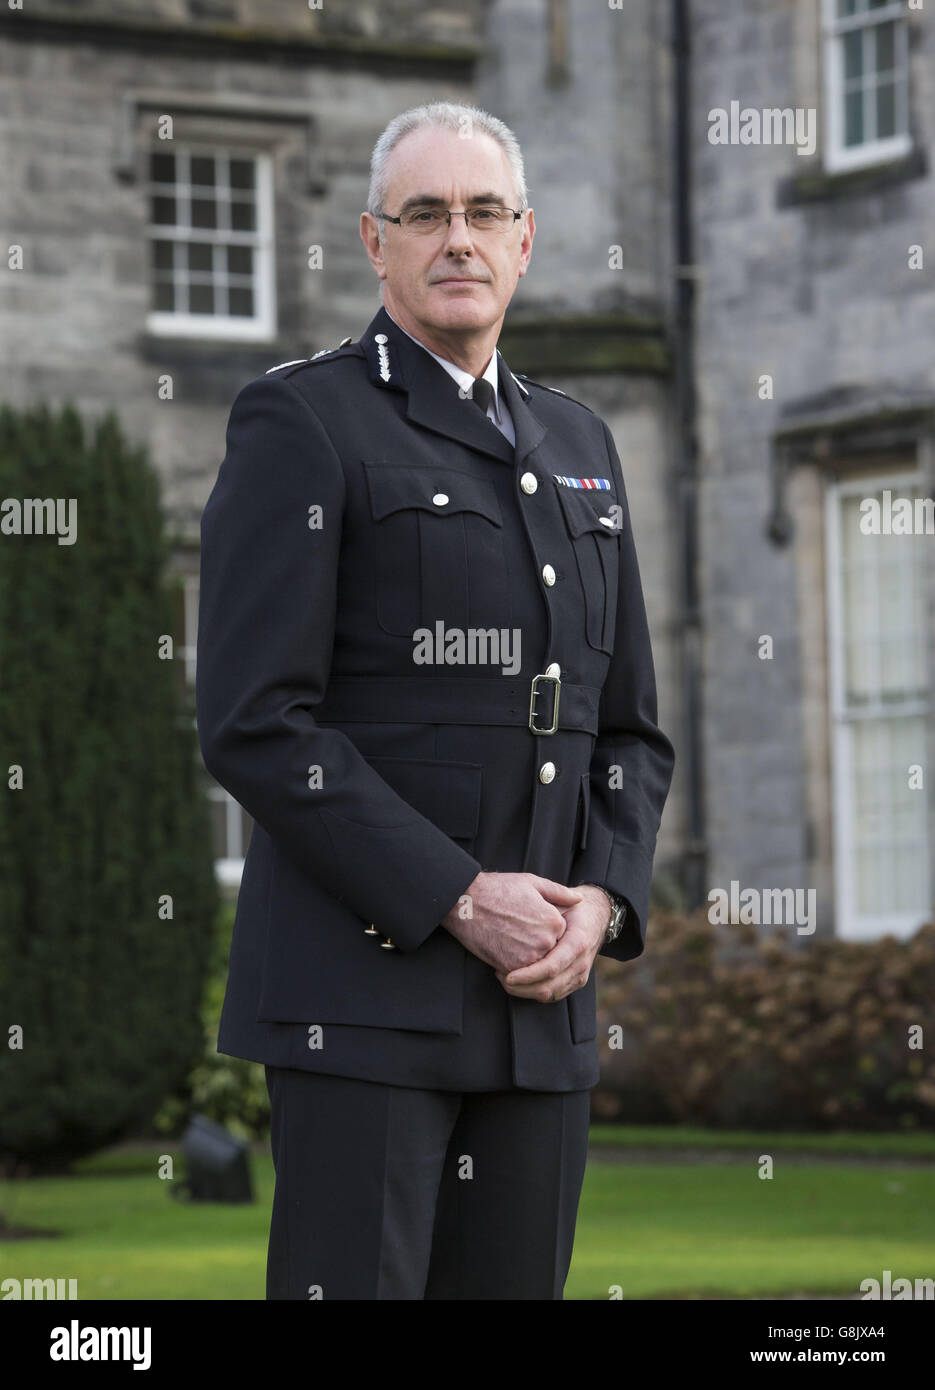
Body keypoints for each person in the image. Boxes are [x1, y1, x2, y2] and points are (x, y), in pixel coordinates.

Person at [196, 100, 675, 1300]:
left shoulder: (579, 440)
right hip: (357, 1007)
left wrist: (603, 899)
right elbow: (256, 722)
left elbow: (627, 729)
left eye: (483, 213)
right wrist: (460, 896)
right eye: (425, 214)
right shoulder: (302, 420)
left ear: (526, 240)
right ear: (374, 241)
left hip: (540, 1014)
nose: (456, 238)